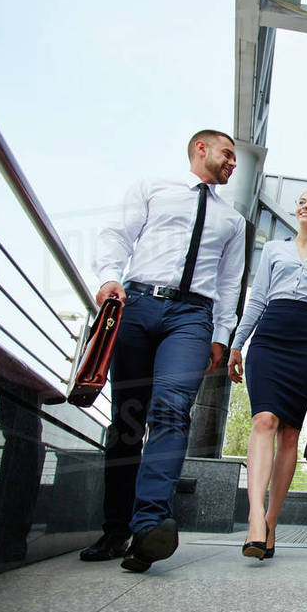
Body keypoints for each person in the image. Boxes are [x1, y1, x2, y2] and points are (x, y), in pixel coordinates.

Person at [84, 129, 247, 573]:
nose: (233, 163)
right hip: (136, 306)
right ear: (201, 149)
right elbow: (117, 234)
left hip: (192, 318)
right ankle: (116, 528)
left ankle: (150, 525)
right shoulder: (152, 189)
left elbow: (231, 283)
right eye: (227, 154)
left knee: (173, 411)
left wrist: (222, 333)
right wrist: (107, 277)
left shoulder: (233, 221)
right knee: (127, 418)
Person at [228, 189, 307, 560]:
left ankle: (271, 523)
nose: (304, 206)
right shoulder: (275, 250)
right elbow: (257, 298)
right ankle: (255, 519)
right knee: (263, 419)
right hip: (270, 335)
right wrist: (237, 344)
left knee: (290, 433)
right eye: (301, 201)